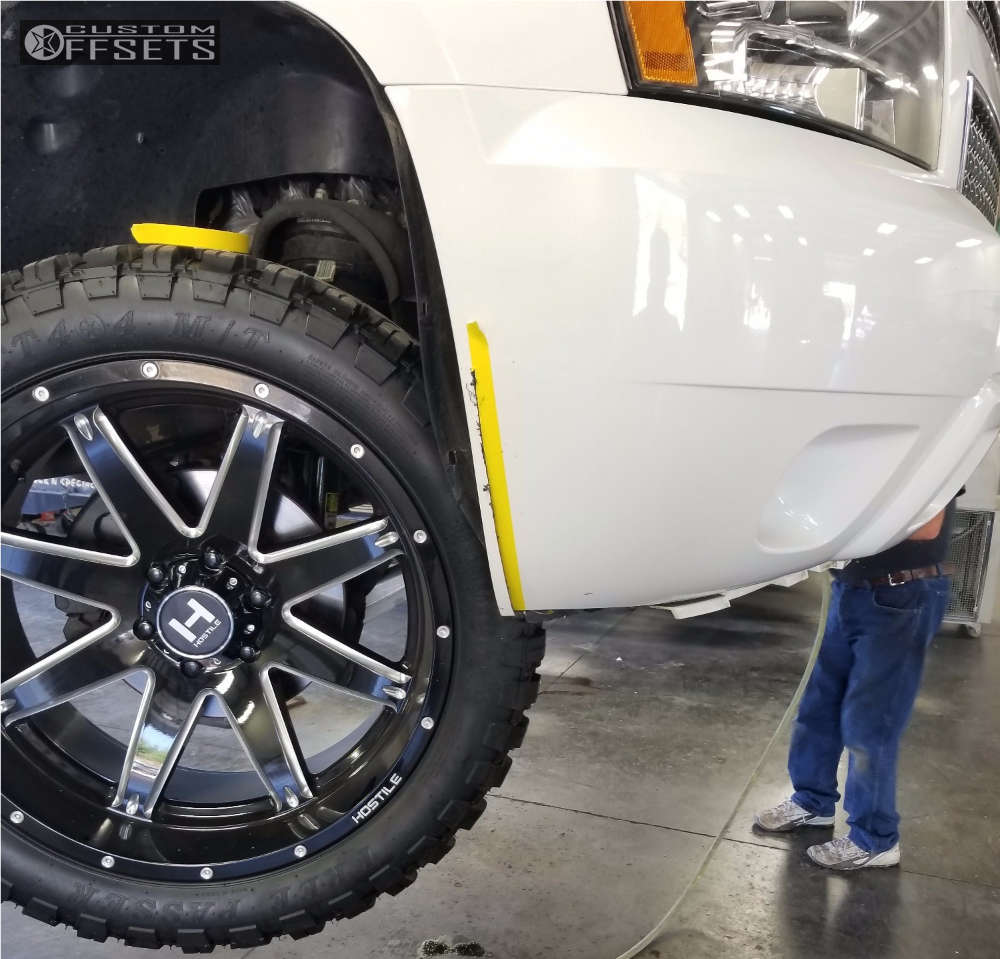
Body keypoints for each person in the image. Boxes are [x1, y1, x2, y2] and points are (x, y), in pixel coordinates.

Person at [754, 500, 956, 870]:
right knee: (819, 706)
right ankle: (812, 801)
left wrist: (841, 528)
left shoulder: (933, 463)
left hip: (902, 593)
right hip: (851, 589)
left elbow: (926, 529)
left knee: (870, 723)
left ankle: (876, 838)